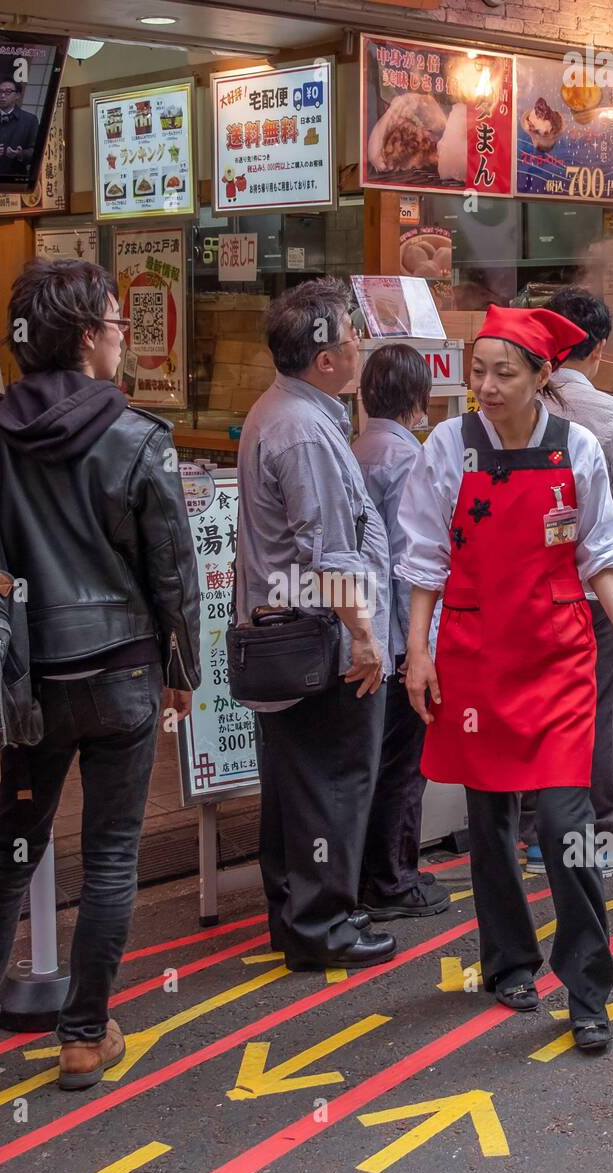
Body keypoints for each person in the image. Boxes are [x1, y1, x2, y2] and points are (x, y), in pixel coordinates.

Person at [0, 259, 200, 1091]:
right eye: (116, 323)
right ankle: (83, 1036)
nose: (122, 336)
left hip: (20, 680)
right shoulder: (138, 437)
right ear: (87, 337)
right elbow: (174, 571)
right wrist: (182, 668)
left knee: (11, 845)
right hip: (120, 674)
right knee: (111, 854)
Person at [398, 305, 613, 1050]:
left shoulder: (575, 447)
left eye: (502, 373)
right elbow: (423, 560)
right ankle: (508, 959)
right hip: (478, 653)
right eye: (476, 369)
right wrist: (418, 650)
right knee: (489, 820)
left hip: (557, 656)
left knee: (562, 823)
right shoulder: (449, 446)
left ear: (542, 377)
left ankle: (586, 986)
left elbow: (601, 556)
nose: (483, 385)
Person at [234, 277, 397, 972]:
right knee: (332, 782)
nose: (360, 340)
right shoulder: (302, 429)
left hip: (297, 637)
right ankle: (322, 924)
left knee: (299, 783)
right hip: (322, 642)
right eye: (351, 331)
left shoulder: (289, 411)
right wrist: (363, 636)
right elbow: (329, 553)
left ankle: (300, 911)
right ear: (325, 356)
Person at [524, 284, 613, 875]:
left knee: (532, 697)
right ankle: (604, 827)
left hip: (525, 578)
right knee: (599, 700)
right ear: (597, 349)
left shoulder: (518, 409)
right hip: (594, 579)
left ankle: (531, 831)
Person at [351, 344, 451, 921]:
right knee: (402, 764)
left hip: (365, 637)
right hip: (394, 640)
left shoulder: (358, 448)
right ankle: (393, 879)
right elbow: (413, 563)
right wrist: (422, 646)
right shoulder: (409, 457)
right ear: (418, 397)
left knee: (374, 763)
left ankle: (373, 874)